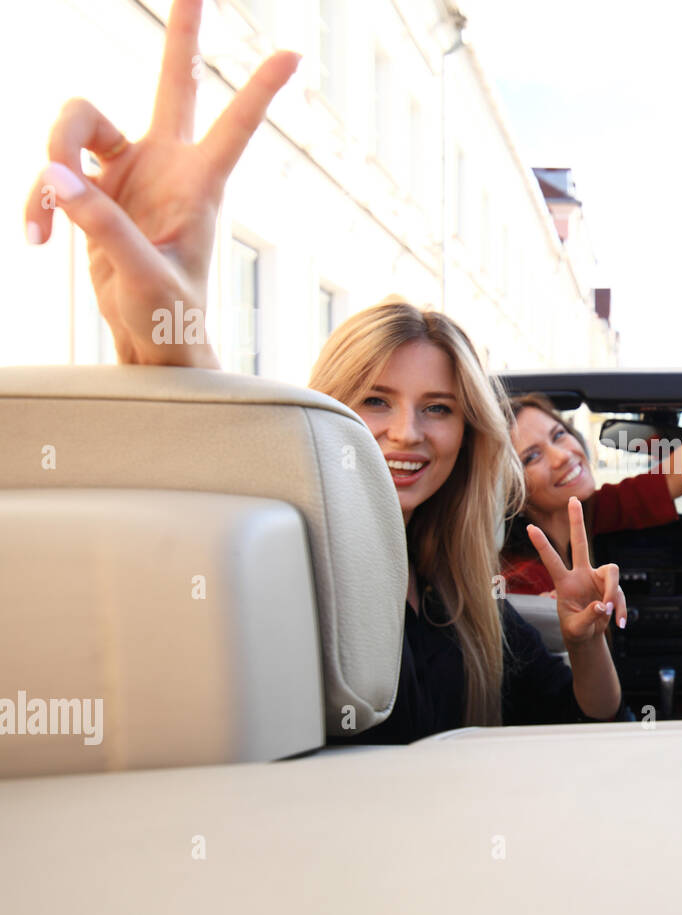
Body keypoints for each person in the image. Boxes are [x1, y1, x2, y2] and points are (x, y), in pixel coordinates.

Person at [24, 0, 630, 741]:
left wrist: (584, 638)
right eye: (374, 400)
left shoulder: (459, 585)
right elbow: (214, 466)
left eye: (438, 407)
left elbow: (584, 718)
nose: (406, 433)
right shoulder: (295, 542)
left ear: (469, 432)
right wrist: (166, 332)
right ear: (327, 405)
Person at [502, 369, 682, 594]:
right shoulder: (520, 580)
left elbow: (675, 479)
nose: (561, 457)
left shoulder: (588, 510)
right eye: (531, 457)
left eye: (558, 435)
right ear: (509, 487)